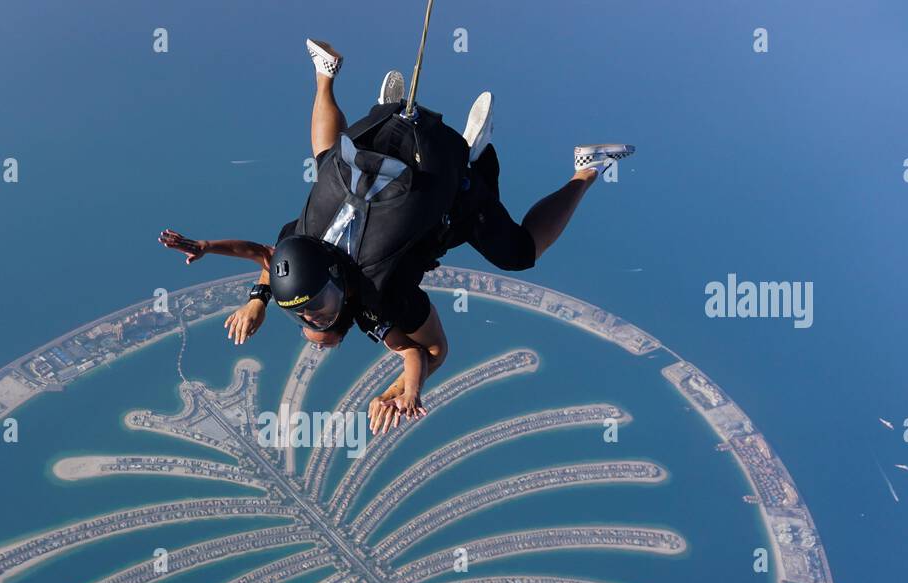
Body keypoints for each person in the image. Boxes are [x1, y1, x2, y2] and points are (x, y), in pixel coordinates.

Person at [159, 39, 633, 435]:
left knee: (521, 253)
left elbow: (428, 351)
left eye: (310, 315)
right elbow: (262, 255)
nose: (315, 315)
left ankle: (583, 173)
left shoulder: (375, 302)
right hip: (369, 137)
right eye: (317, 317)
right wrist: (243, 285)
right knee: (326, 160)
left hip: (444, 168)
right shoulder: (303, 245)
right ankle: (328, 77)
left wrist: (407, 389)